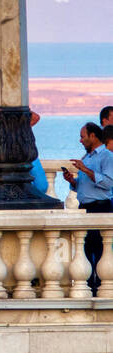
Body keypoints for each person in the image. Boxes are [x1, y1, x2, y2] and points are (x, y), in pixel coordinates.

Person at [62, 122, 113, 290]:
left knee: (100, 249)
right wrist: (72, 181)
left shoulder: (107, 156)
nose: (80, 140)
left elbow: (107, 183)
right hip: (85, 208)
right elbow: (84, 186)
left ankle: (101, 286)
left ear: (93, 136)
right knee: (86, 248)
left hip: (100, 207)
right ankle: (90, 285)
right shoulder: (88, 157)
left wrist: (85, 170)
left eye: (83, 136)